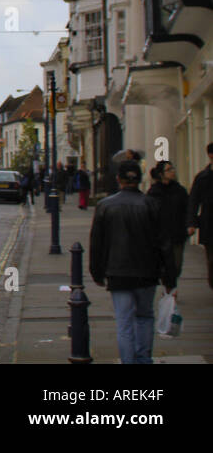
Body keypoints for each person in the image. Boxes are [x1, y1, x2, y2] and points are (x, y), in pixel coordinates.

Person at [89, 159, 175, 363]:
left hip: (117, 273)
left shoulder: (105, 206)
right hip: (147, 272)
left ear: (118, 179)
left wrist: (97, 272)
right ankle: (144, 359)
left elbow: (97, 244)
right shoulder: (152, 204)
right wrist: (169, 277)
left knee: (124, 323)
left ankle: (128, 361)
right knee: (145, 316)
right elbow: (165, 243)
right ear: (139, 179)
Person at [147, 161, 189, 287]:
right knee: (164, 264)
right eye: (169, 169)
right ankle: (169, 288)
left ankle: (170, 285)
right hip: (160, 235)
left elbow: (187, 208)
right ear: (161, 174)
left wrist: (190, 224)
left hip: (177, 233)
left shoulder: (180, 190)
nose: (172, 171)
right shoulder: (154, 192)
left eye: (172, 168)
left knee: (176, 265)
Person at [187, 141, 213, 291]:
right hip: (209, 223)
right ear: (210, 155)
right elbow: (193, 200)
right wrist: (191, 223)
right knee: (211, 259)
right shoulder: (202, 177)